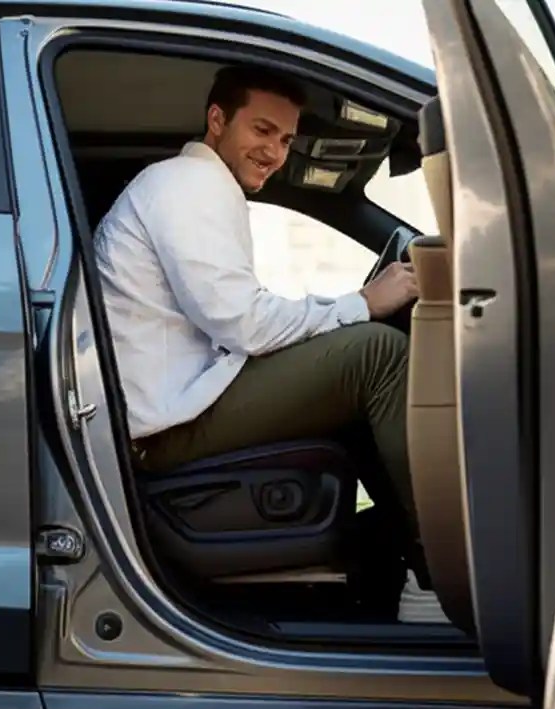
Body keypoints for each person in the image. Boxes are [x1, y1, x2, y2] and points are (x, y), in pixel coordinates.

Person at [92, 64, 447, 624]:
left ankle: (392, 561)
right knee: (377, 355)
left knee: (351, 368)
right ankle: (444, 578)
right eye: (261, 131)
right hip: (167, 427)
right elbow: (246, 325)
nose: (275, 152)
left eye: (284, 139)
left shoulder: (196, 189)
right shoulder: (188, 186)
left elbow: (239, 316)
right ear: (217, 120)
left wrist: (347, 307)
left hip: (185, 401)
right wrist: (361, 304)